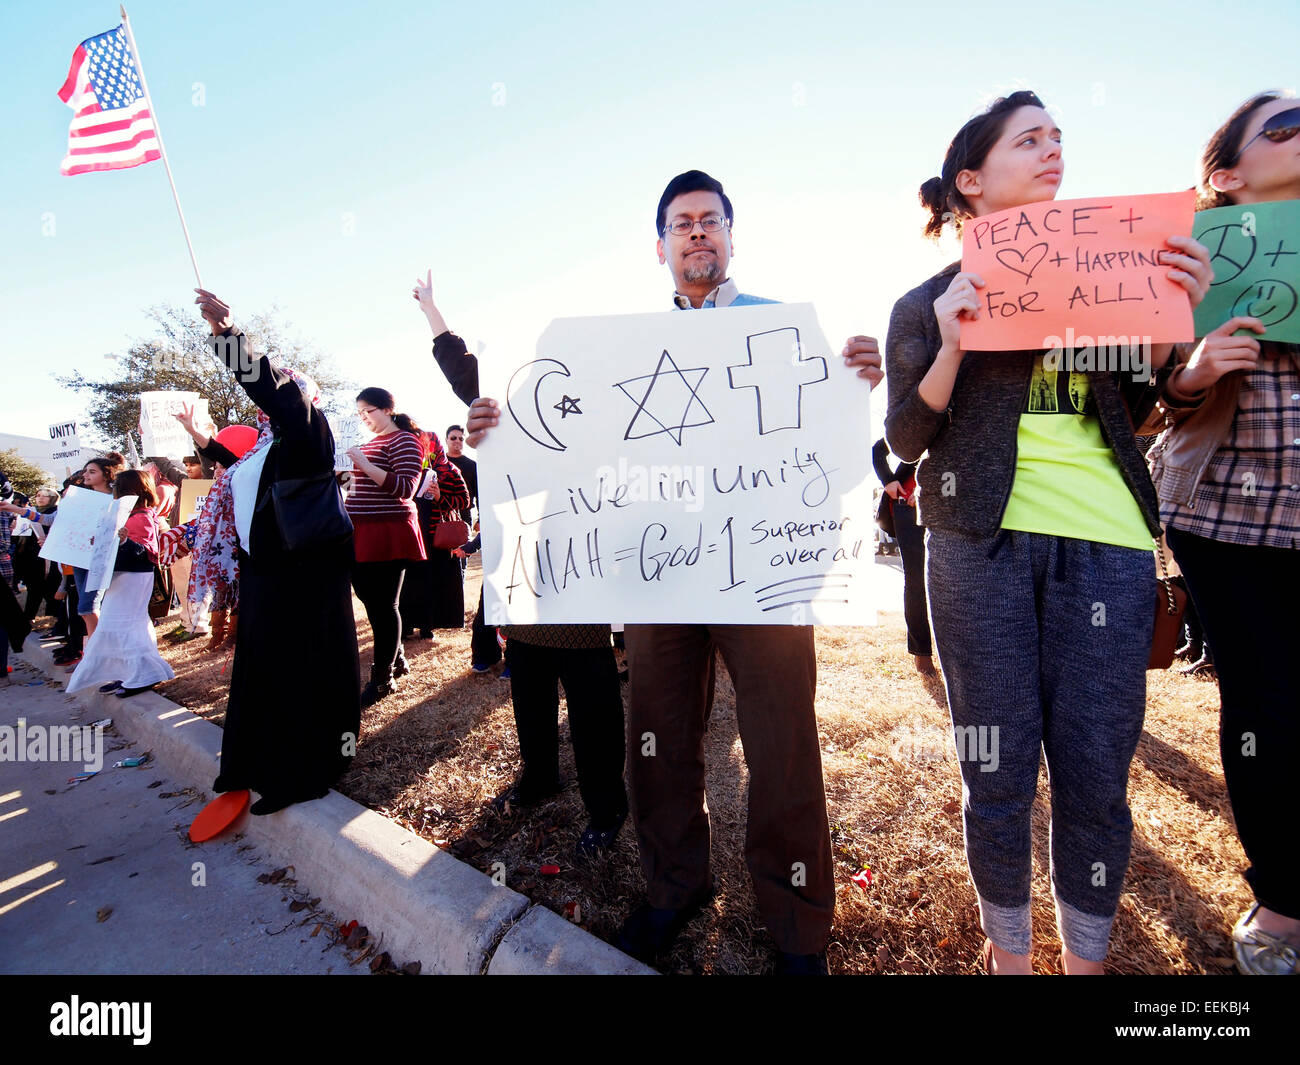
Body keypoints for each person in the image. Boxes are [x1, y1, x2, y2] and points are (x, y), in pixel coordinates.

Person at [456, 169, 884, 972]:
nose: (697, 232)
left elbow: (830, 438)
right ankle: (673, 885)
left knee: (783, 744)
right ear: (660, 246)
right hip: (661, 572)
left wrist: (858, 376)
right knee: (657, 737)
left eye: (710, 219)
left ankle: (797, 926)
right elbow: (565, 445)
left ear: (731, 236)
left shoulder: (786, 330)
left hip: (762, 569)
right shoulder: (619, 355)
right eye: (682, 222)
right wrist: (498, 431)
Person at [885, 90, 1213, 975]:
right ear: (971, 180)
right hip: (975, 540)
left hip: (1105, 540)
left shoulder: (1110, 270)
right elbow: (906, 438)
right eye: (1029, 139)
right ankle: (1009, 956)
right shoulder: (924, 303)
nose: (1053, 150)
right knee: (995, 771)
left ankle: (1085, 963)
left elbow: (1136, 409)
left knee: (1097, 771)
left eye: (1058, 137)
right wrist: (953, 345)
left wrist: (1167, 324)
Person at [1147, 90, 1300, 975]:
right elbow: (1148, 393)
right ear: (1228, 175)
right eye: (1285, 125)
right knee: (1266, 705)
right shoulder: (1185, 254)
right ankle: (1282, 898)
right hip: (1226, 517)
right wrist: (1194, 370)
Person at [414, 278, 630, 856]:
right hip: (524, 574)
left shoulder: (608, 405)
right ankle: (539, 778)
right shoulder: (504, 406)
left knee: (592, 706)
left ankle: (606, 806)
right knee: (530, 693)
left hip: (583, 575)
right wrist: (434, 312)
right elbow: (463, 371)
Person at [195, 288, 360, 816]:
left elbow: (276, 394)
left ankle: (305, 771)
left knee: (301, 669)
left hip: (304, 573)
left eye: (291, 387)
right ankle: (252, 763)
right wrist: (200, 438)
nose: (282, 395)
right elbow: (238, 471)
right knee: (263, 668)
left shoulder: (310, 433)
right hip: (265, 573)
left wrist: (229, 335)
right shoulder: (267, 448)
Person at [346, 387, 427, 704]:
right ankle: (398, 657)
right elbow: (353, 487)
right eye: (360, 413)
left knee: (384, 606)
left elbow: (406, 488)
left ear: (387, 409)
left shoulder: (404, 440)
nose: (364, 417)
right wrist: (341, 473)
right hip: (359, 529)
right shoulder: (367, 444)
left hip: (388, 529)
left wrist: (365, 464)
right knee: (369, 599)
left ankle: (382, 679)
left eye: (368, 410)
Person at [66, 470, 175, 699]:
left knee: (126, 626)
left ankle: (142, 676)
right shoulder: (132, 515)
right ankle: (130, 674)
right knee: (121, 626)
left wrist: (123, 542)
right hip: (122, 578)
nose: (113, 488)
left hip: (132, 578)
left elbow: (146, 553)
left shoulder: (141, 517)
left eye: (117, 485)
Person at [398, 428, 470, 638]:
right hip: (412, 534)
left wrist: (439, 496)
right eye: (421, 445)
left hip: (436, 537)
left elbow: (464, 500)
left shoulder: (451, 470)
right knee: (409, 582)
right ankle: (406, 626)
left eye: (428, 445)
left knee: (432, 582)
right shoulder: (410, 468)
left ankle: (427, 626)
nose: (425, 450)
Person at [872, 437, 933, 673]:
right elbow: (879, 449)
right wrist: (888, 480)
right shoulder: (918, 420)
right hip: (906, 506)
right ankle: (922, 654)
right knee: (916, 580)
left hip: (949, 501)